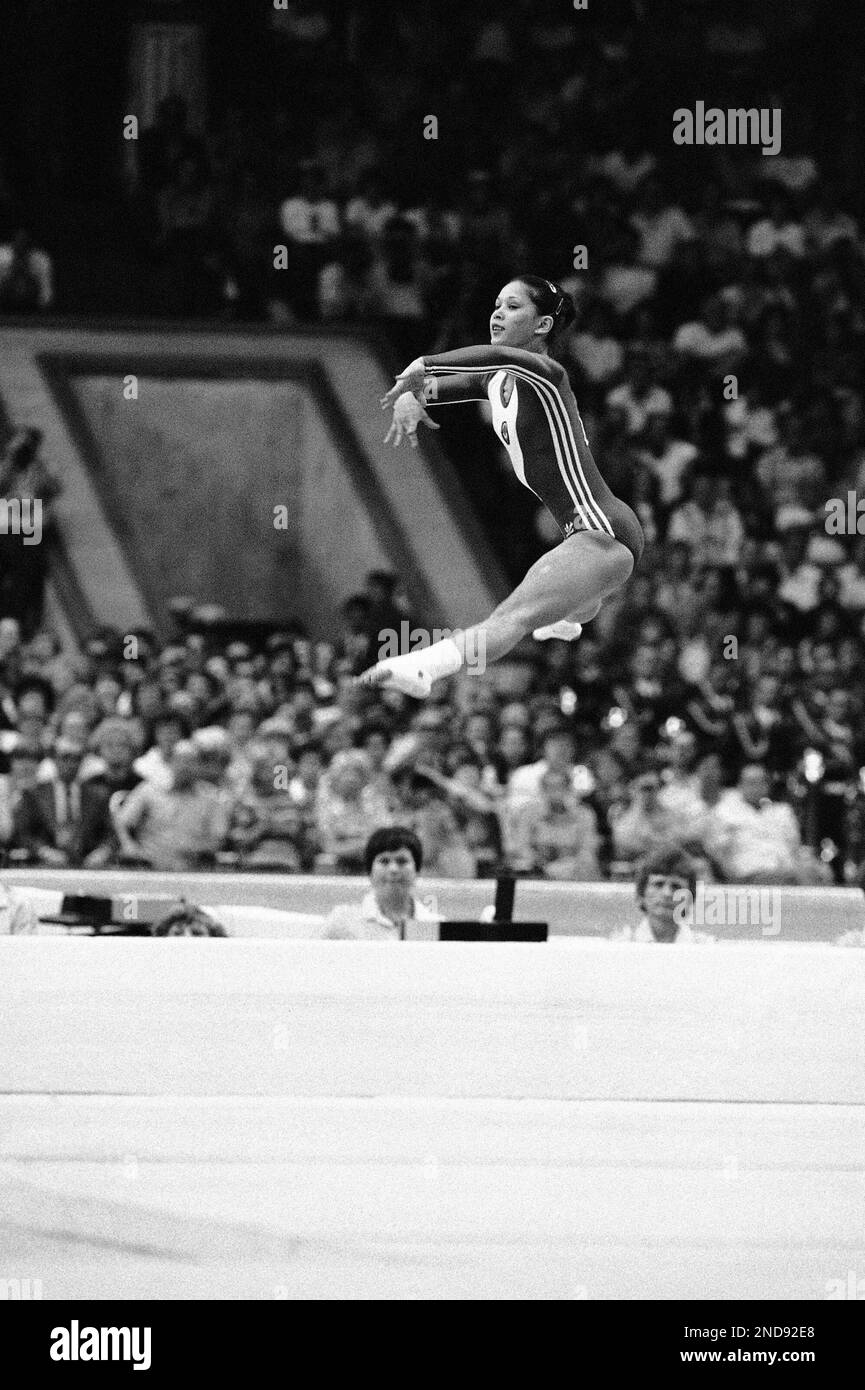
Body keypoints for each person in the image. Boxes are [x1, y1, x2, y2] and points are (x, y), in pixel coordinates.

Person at [358, 275, 644, 698]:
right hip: (583, 534)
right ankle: (573, 613)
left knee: (512, 616)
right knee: (557, 603)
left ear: (543, 325)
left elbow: (482, 360)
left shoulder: (547, 375)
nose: (497, 313)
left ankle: (424, 666)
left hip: (602, 531)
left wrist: (426, 362)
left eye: (512, 307)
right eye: (496, 304)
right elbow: (438, 388)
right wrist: (410, 398)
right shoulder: (496, 382)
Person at [320, 826, 441, 940]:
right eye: (384, 861)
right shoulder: (342, 921)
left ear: (417, 870)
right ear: (370, 871)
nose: (393, 869)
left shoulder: (435, 924)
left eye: (402, 861)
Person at [609, 846, 714, 943]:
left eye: (676, 886)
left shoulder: (707, 947)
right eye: (658, 884)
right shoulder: (620, 945)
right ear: (641, 894)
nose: (667, 893)